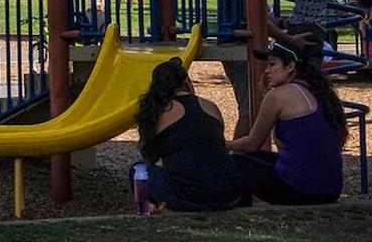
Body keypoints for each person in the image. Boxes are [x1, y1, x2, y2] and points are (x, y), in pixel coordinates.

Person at [228, 40, 347, 205]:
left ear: (290, 67)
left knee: (233, 161)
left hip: (300, 190)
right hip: (331, 190)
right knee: (250, 158)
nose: (267, 71)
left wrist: (222, 143)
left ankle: (240, 209)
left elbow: (251, 143)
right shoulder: (320, 93)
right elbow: (290, 147)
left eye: (272, 65)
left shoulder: (278, 95)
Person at [133, 58, 244, 212]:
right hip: (228, 195)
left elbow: (150, 156)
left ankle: (147, 208)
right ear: (186, 82)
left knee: (138, 169)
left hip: (189, 199)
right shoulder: (210, 106)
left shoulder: (159, 112)